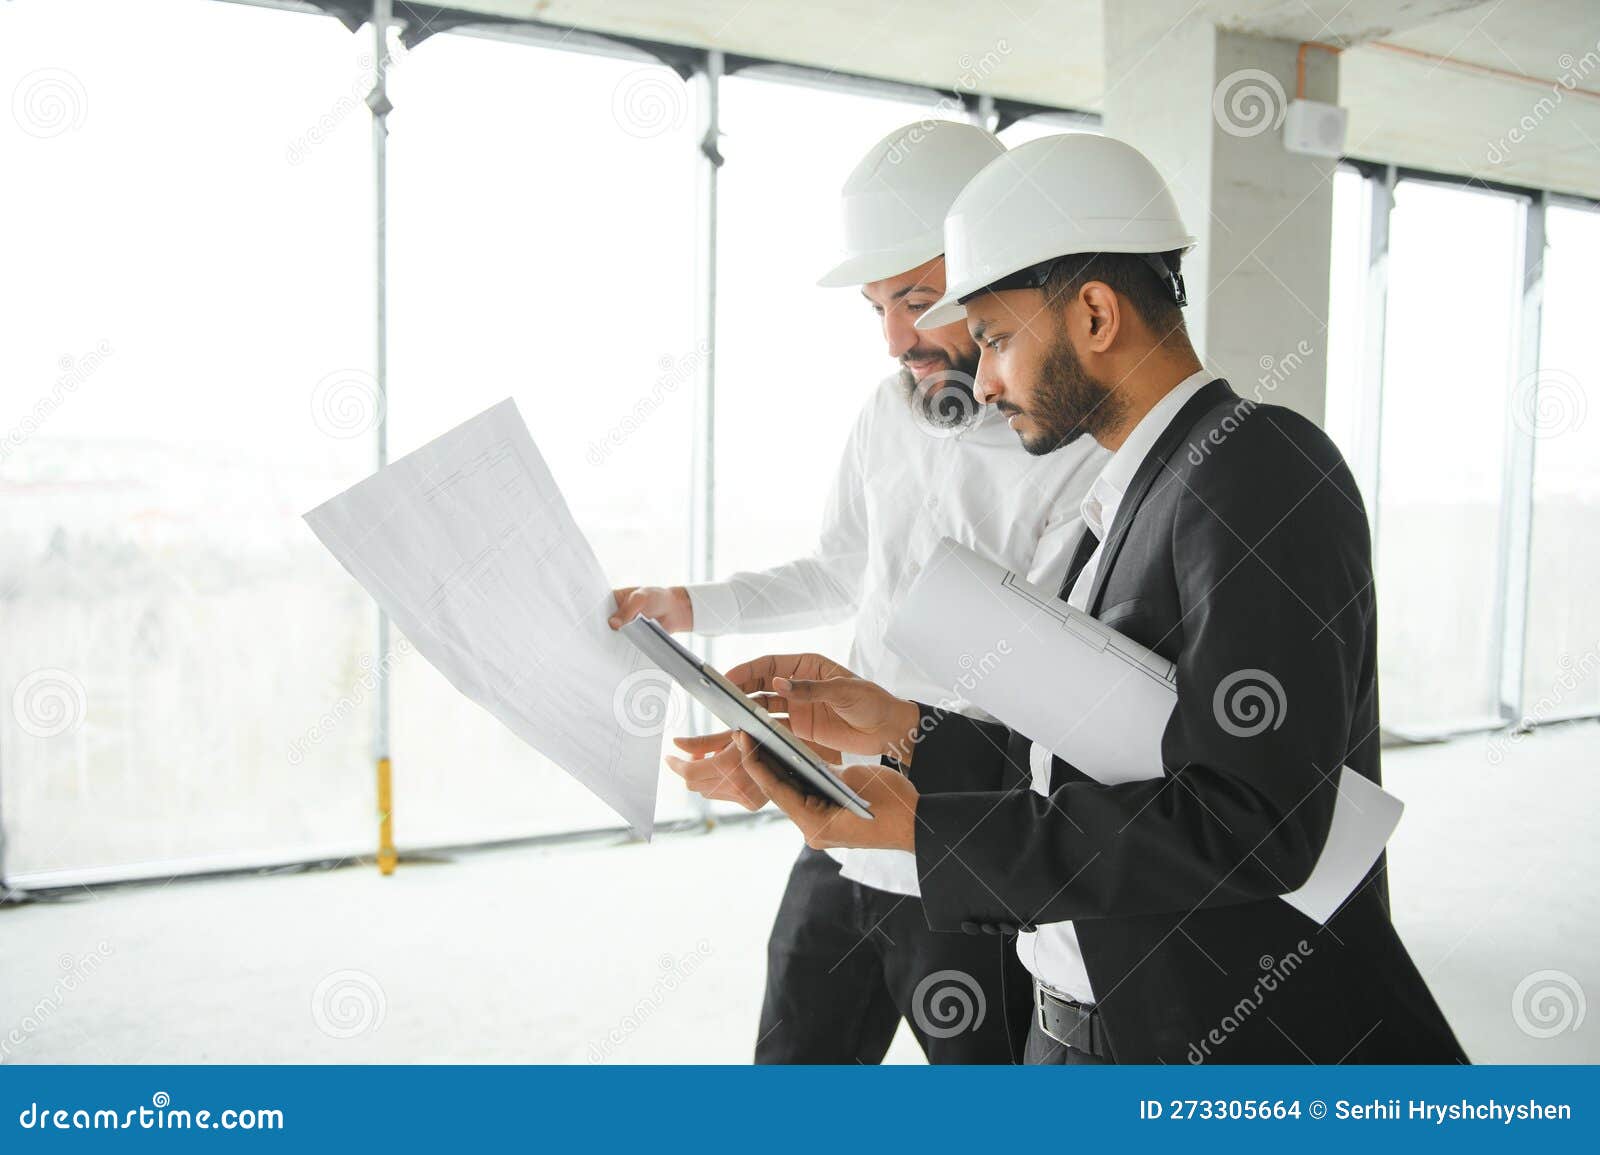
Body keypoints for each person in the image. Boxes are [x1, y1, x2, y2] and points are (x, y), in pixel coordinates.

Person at [671, 132, 1467, 1065]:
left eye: (998, 338)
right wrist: (901, 726)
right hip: (1078, 1017)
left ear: (1094, 313)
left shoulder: (1255, 467)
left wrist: (927, 830)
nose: (988, 378)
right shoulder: (1132, 495)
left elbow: (1254, 820)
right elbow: (1100, 757)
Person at [609, 121, 1105, 1064]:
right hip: (838, 829)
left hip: (962, 846)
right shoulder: (890, 412)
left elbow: (1035, 697)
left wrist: (792, 740)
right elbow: (845, 566)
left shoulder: (1074, 461)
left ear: (998, 275)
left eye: (918, 299)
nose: (893, 339)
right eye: (877, 306)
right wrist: (689, 604)